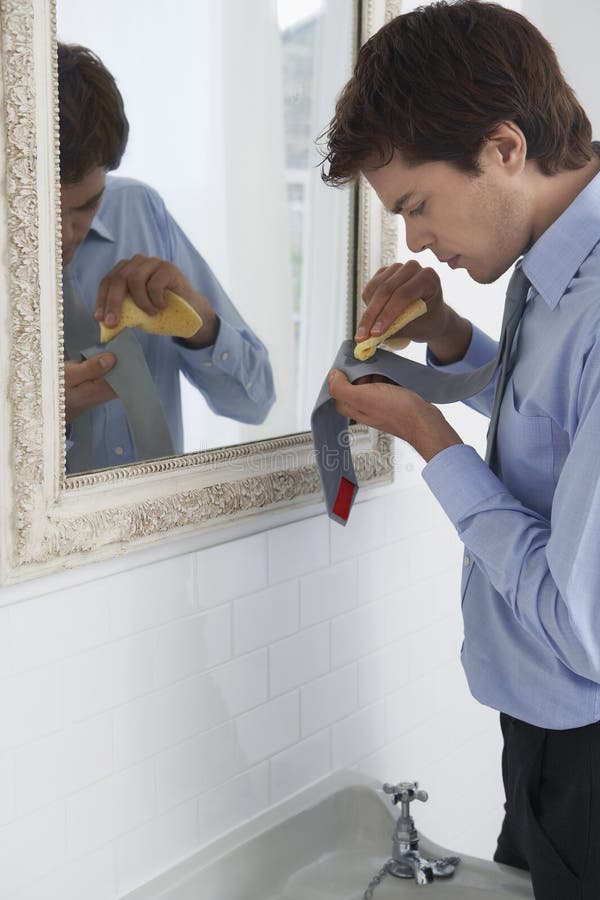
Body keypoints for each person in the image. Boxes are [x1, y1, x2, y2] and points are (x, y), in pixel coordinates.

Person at [320, 2, 600, 897]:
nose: (415, 240)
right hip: (546, 745)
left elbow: (579, 627)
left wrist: (429, 440)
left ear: (504, 148)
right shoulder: (553, 265)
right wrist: (445, 336)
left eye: (416, 205)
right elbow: (550, 416)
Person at [59, 42, 275, 472]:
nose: (66, 234)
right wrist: (30, 423)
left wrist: (201, 326)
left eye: (86, 207)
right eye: (44, 212)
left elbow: (255, 402)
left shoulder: (140, 210)